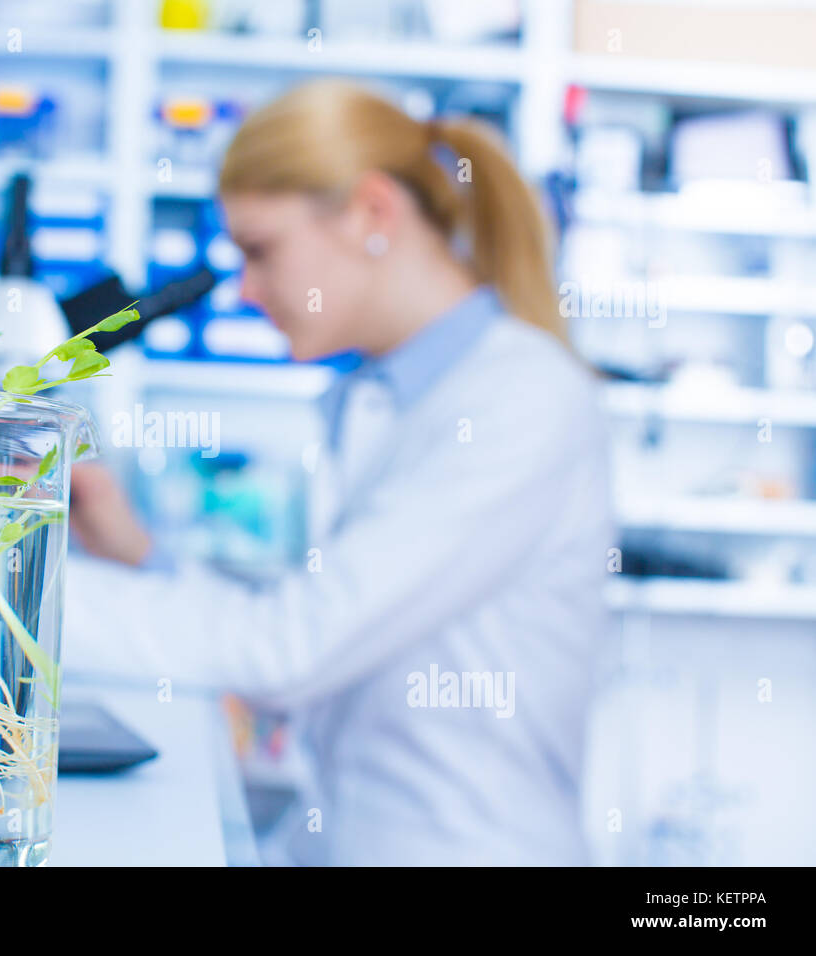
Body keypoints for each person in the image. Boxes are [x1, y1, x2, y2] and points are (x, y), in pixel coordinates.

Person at [62, 79, 613, 866]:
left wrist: (0, 584)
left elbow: (291, 649)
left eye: (260, 252)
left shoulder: (523, 398)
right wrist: (137, 554)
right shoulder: (375, 395)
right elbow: (322, 620)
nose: (245, 291)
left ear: (372, 215)